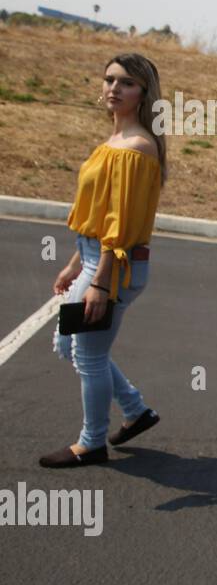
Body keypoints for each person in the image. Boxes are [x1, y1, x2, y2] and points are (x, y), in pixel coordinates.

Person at [40, 54, 166, 468]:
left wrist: (97, 281)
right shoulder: (111, 143)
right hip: (95, 259)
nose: (114, 88)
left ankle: (91, 443)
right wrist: (76, 264)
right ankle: (135, 410)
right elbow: (100, 216)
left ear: (143, 93)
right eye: (110, 79)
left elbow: (122, 227)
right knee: (68, 345)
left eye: (126, 82)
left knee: (87, 355)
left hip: (114, 266)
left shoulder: (138, 147)